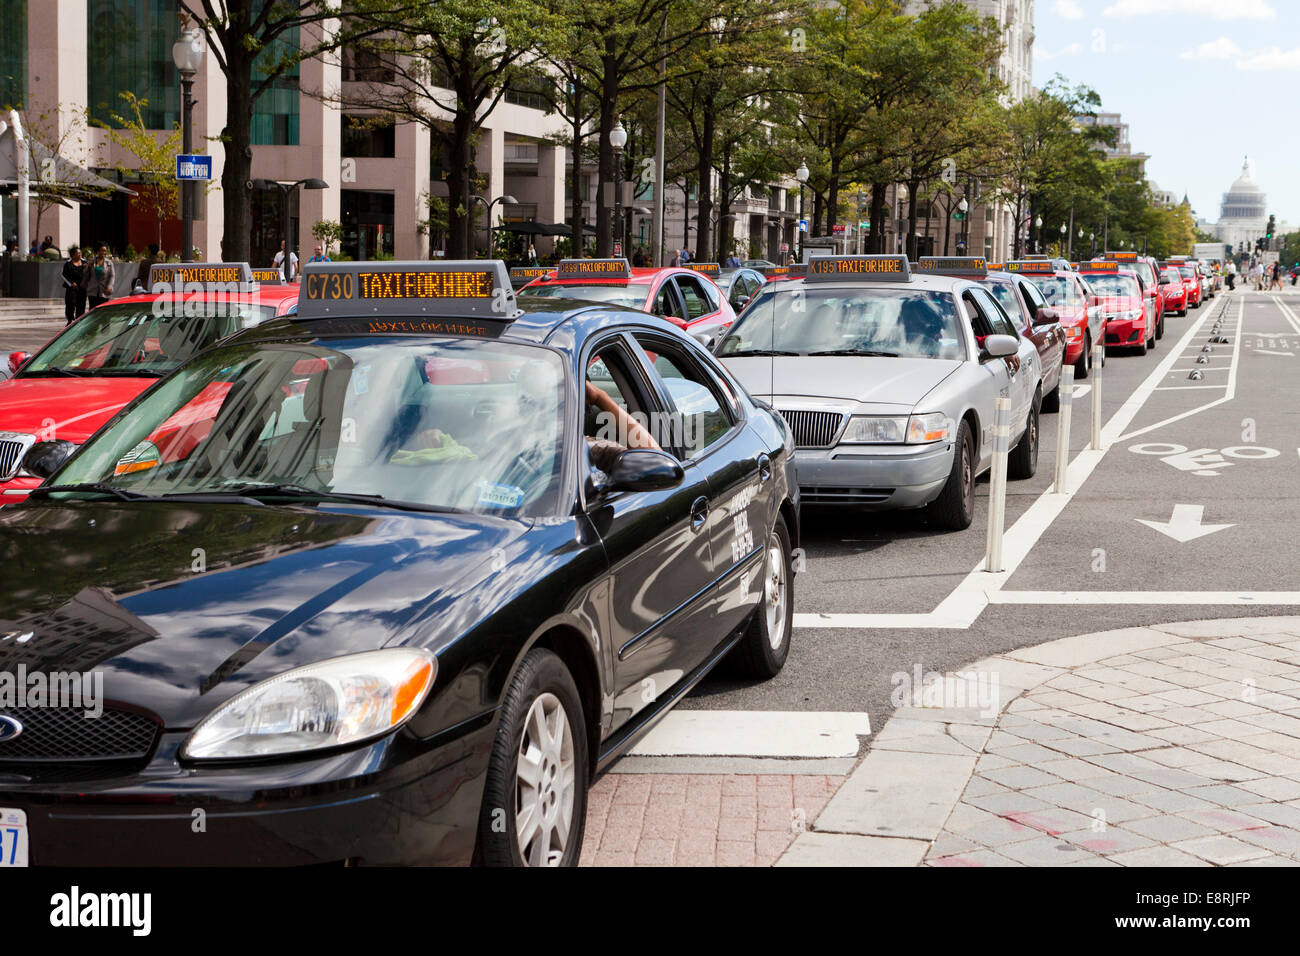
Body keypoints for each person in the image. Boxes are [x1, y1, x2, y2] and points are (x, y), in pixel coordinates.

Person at [584, 380, 660, 475]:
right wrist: (600, 398)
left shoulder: (591, 449)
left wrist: (600, 397)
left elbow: (656, 464)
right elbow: (657, 465)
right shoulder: (587, 449)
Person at [84, 245, 115, 311]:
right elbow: (85, 274)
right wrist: (88, 266)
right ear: (98, 251)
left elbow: (112, 276)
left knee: (103, 310)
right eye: (102, 250)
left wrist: (109, 286)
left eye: (105, 251)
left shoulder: (109, 263)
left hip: (104, 291)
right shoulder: (92, 261)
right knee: (93, 310)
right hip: (93, 291)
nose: (104, 252)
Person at [61, 246, 87, 324]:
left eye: (80, 253)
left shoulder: (85, 262)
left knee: (81, 304)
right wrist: (71, 283)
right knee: (70, 304)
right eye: (78, 253)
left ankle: (79, 321)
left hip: (82, 287)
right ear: (73, 255)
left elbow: (89, 273)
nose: (80, 254)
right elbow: (63, 275)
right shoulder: (68, 264)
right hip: (71, 288)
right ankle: (70, 320)